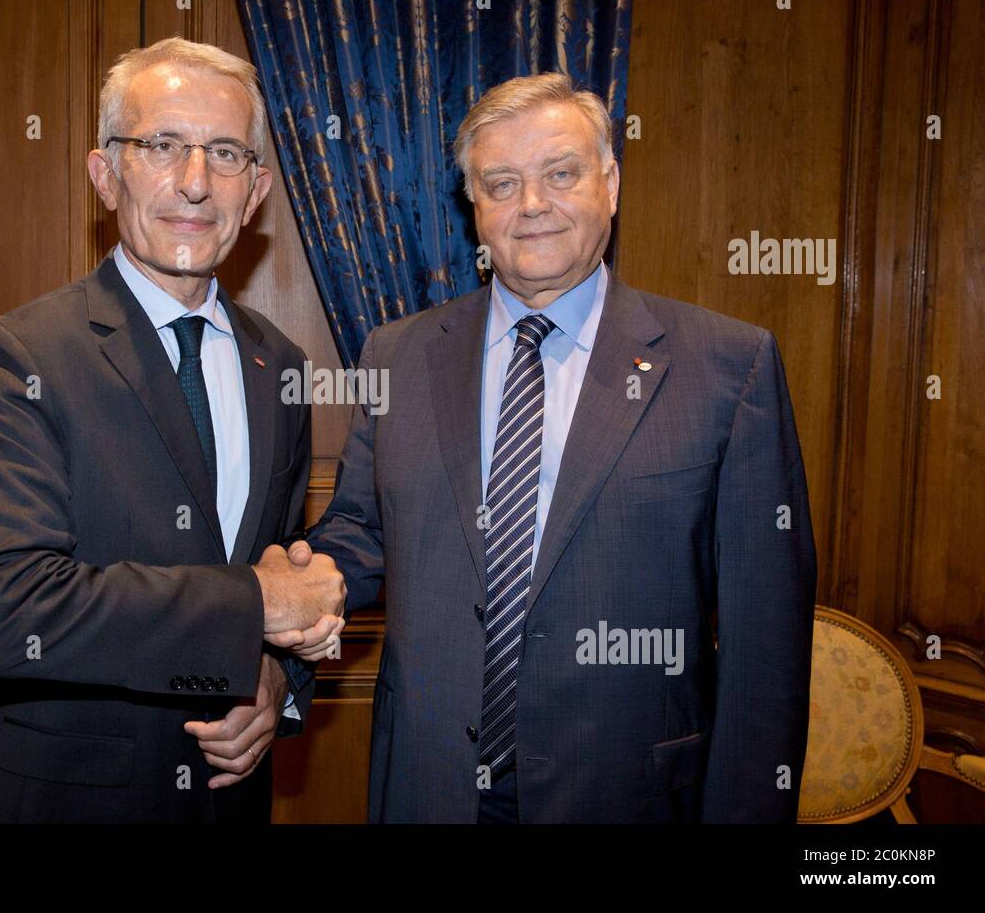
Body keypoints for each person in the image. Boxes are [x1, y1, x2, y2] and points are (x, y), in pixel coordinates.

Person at [288, 72, 817, 822]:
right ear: (474, 206)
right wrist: (294, 585)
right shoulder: (396, 355)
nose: (531, 205)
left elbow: (768, 642)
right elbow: (364, 532)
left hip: (627, 793)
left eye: (560, 174)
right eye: (500, 183)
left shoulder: (729, 366)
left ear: (610, 182)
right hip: (430, 785)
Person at [0, 38, 343, 823]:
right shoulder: (21, 354)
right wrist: (253, 610)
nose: (195, 183)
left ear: (256, 190)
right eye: (162, 145)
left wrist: (273, 681)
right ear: (105, 174)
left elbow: (275, 578)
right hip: (70, 801)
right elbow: (5, 609)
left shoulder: (283, 365)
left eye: (226, 153)